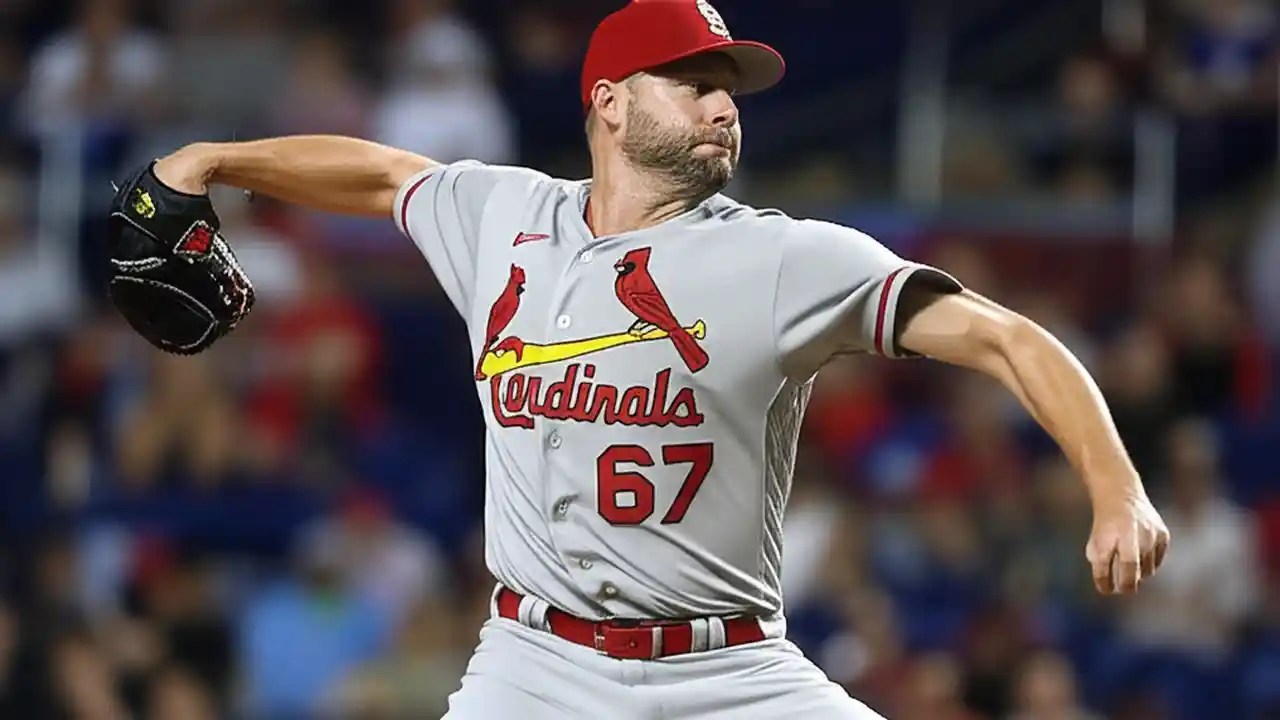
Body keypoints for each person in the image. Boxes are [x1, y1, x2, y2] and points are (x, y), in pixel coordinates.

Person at [145, 2, 1170, 717]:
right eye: (693, 83)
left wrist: (1116, 485)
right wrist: (216, 161)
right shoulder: (504, 217)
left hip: (730, 671)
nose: (723, 106)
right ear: (609, 101)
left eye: (729, 90)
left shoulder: (784, 259)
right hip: (537, 666)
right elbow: (383, 176)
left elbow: (1004, 335)